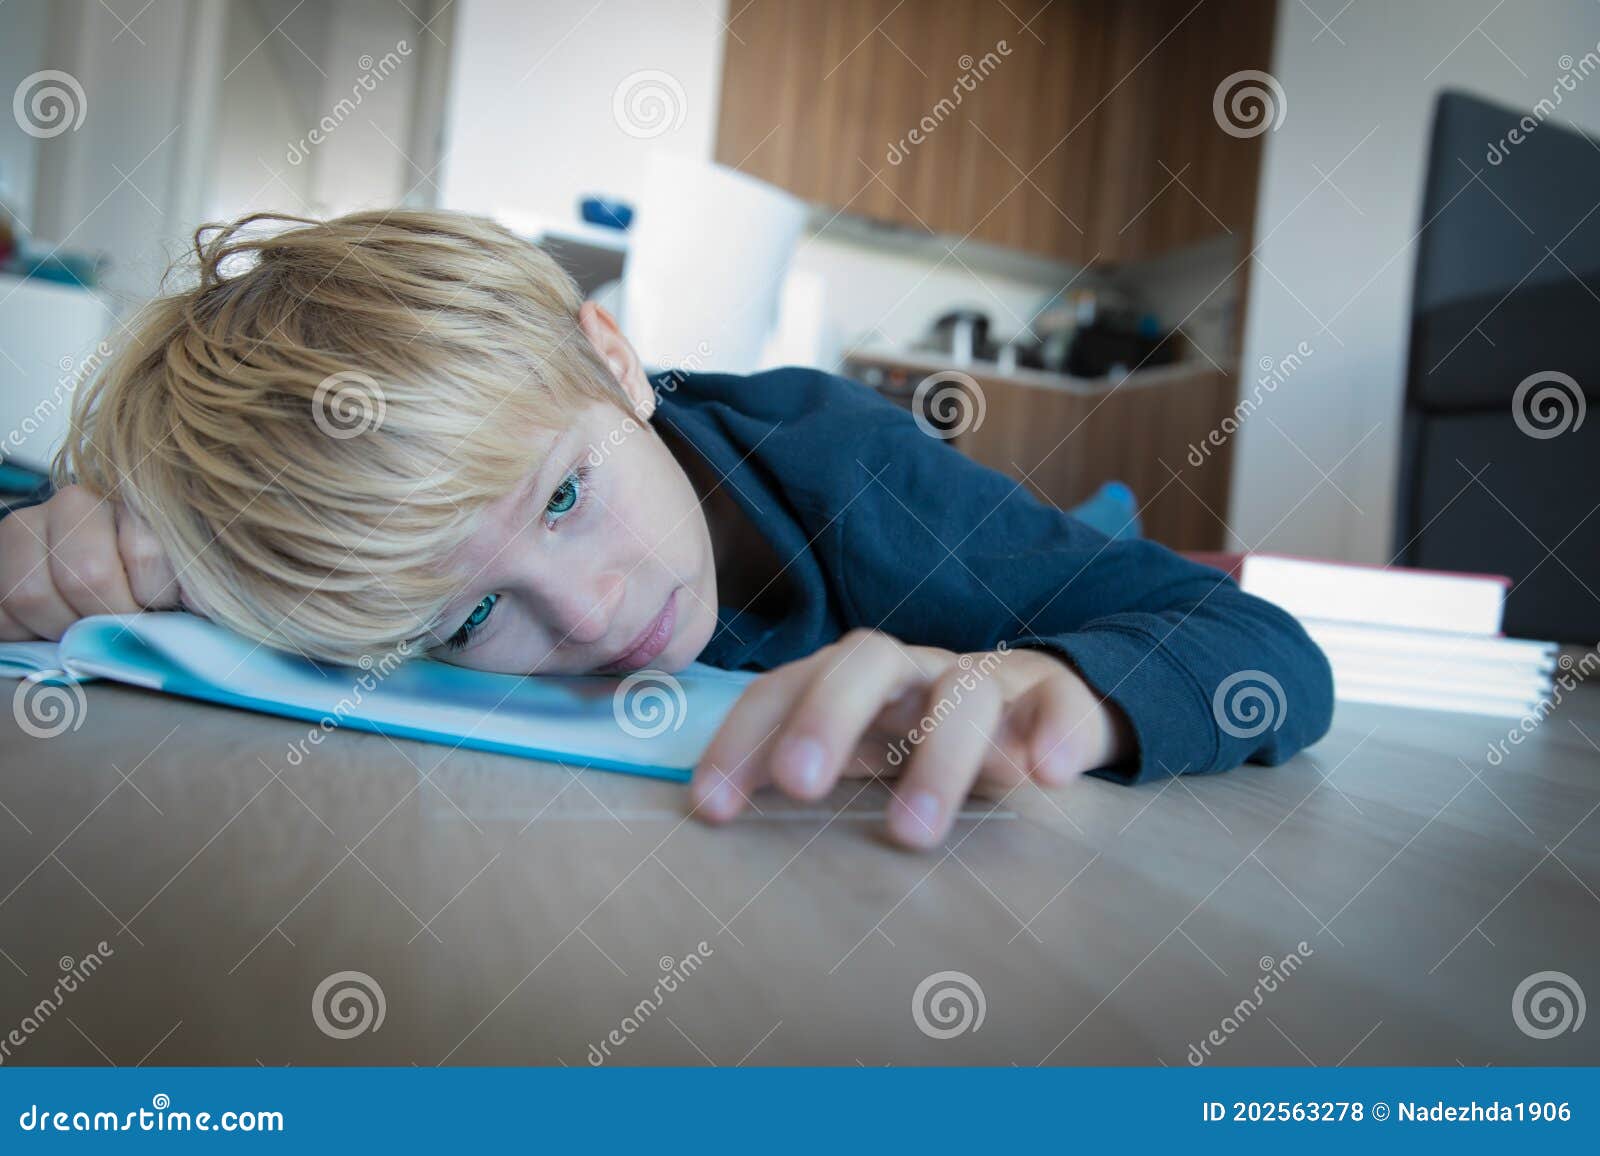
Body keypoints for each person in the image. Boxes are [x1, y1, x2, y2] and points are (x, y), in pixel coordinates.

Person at [0, 210, 1334, 849]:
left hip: (1027, 545)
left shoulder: (843, 468)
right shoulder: (370, 576)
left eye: (567, 495)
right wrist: (53, 535)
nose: (584, 614)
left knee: (1086, 544)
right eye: (471, 615)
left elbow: (1263, 643)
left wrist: (1068, 692)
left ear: (613, 360)